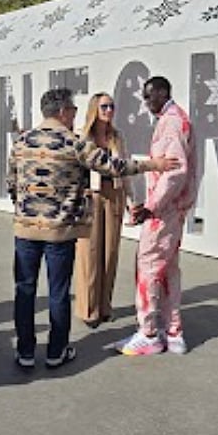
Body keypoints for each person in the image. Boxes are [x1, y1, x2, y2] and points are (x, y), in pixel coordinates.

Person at [7, 88, 178, 370]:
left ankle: (25, 352)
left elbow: (11, 183)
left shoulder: (22, 141)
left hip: (25, 231)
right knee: (58, 292)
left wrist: (27, 210)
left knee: (24, 291)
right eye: (73, 110)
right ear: (63, 112)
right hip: (60, 230)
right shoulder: (73, 142)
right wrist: (153, 164)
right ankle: (56, 352)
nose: (74, 115)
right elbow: (112, 166)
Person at [117, 77, 199, 356]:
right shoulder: (176, 119)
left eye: (149, 96)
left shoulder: (172, 122)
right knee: (167, 269)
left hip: (165, 211)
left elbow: (175, 171)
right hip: (171, 209)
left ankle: (149, 332)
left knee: (149, 266)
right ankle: (172, 331)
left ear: (163, 93)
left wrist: (152, 206)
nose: (146, 103)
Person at [74, 93, 133, 329]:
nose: (109, 110)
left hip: (114, 194)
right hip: (90, 196)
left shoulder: (117, 137)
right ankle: (88, 309)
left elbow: (125, 168)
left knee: (110, 253)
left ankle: (105, 306)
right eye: (104, 106)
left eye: (112, 106)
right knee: (89, 253)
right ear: (94, 110)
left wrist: (131, 199)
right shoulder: (82, 136)